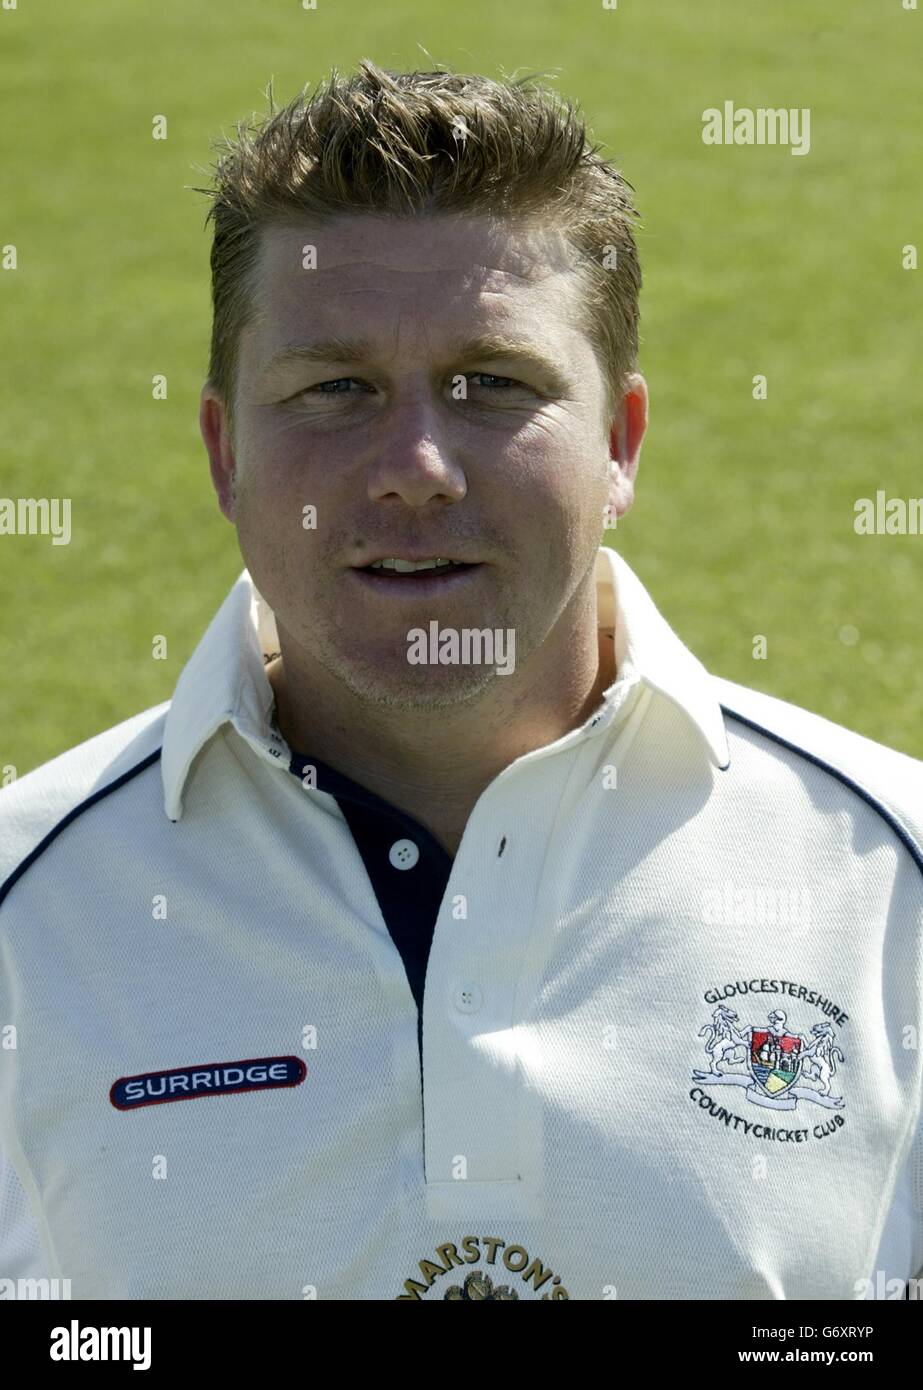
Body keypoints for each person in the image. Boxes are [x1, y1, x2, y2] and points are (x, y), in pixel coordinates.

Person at [1, 60, 920, 1302]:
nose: (416, 469)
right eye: (335, 389)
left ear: (617, 446)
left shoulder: (888, 885)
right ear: (224, 452)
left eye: (493, 384)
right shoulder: (27, 914)